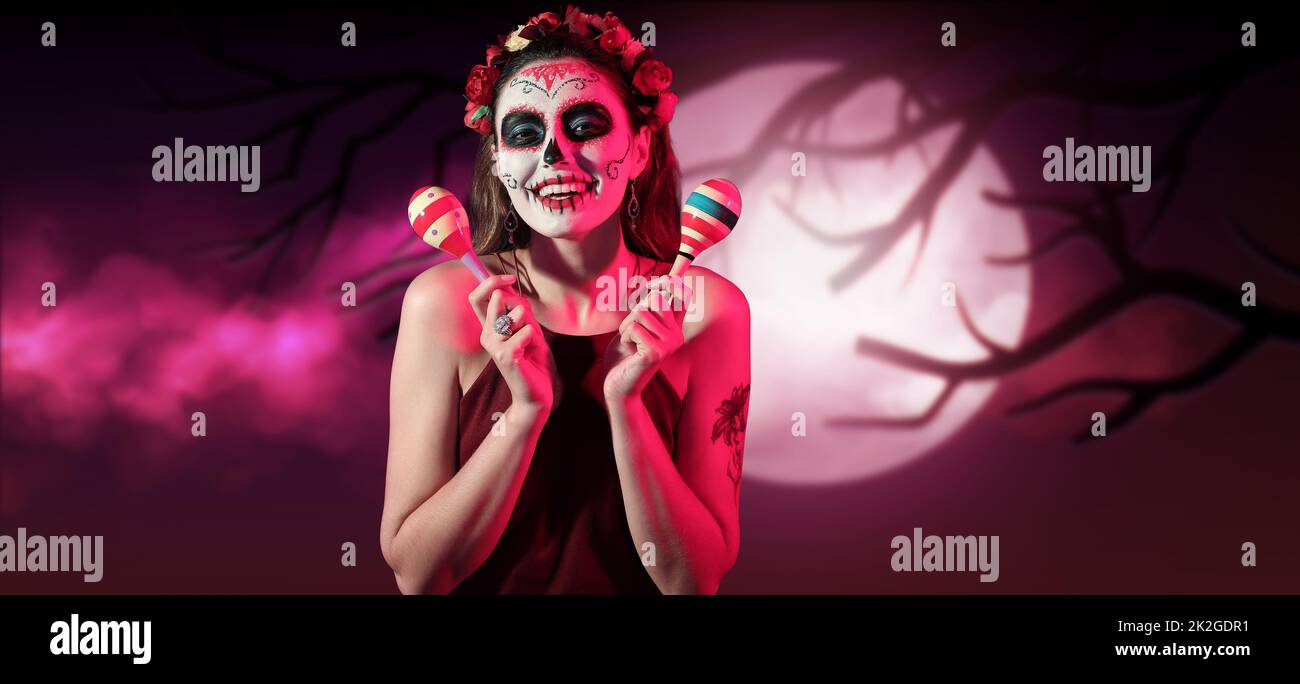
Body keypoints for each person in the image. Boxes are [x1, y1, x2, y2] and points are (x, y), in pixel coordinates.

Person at [380, 7, 750, 594]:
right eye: (525, 133)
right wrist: (524, 413)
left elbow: (692, 579)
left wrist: (626, 402)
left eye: (583, 125)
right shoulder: (444, 302)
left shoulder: (709, 309)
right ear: (500, 161)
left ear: (641, 147)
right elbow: (421, 575)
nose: (554, 156)